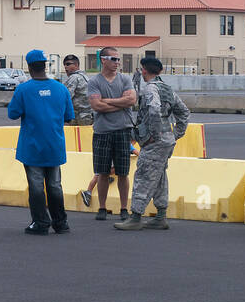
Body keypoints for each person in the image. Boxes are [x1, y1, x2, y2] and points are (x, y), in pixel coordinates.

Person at [115, 58, 190, 231]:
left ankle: (135, 217)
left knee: (143, 175)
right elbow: (184, 112)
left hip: (155, 142)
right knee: (159, 176)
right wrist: (176, 134)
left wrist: (154, 136)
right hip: (166, 140)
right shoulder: (167, 89)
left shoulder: (150, 89)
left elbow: (154, 109)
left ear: (144, 71)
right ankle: (160, 216)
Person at [7, 49, 74, 235]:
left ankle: (40, 223)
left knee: (36, 186)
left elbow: (12, 114)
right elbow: (69, 116)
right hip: (54, 144)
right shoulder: (61, 88)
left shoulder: (23, 89)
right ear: (45, 65)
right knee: (54, 185)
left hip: (32, 146)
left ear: (29, 67)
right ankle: (61, 223)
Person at [84, 46, 137, 221]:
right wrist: (120, 103)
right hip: (102, 132)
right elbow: (96, 105)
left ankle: (123, 208)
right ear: (103, 60)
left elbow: (131, 100)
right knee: (102, 172)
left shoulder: (125, 79)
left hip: (123, 131)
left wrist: (107, 101)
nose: (117, 63)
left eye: (118, 59)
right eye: (113, 59)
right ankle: (102, 207)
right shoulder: (94, 82)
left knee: (123, 172)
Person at [63, 55, 93, 127]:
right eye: (64, 65)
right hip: (88, 116)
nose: (65, 67)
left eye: (68, 64)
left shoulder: (74, 77)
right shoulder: (85, 76)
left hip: (78, 117)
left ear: (76, 65)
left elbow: (65, 97)